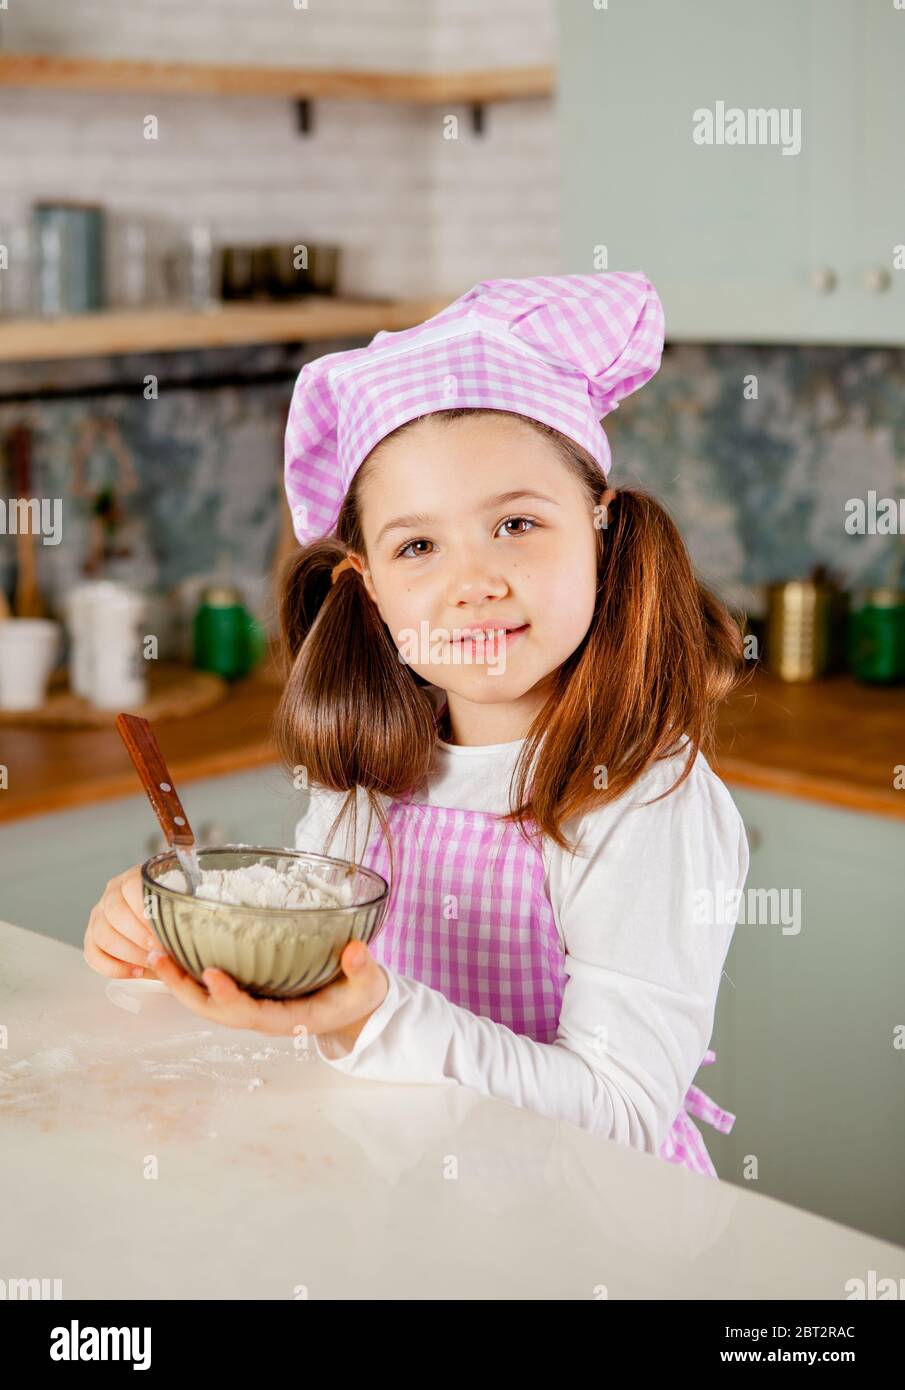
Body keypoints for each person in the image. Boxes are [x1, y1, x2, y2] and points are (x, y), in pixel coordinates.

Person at [84, 272, 749, 1179]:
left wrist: (370, 1015)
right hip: (403, 1199)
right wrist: (181, 935)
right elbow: (315, 992)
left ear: (602, 530)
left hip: (578, 1240)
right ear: (366, 582)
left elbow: (623, 1119)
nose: (471, 581)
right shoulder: (366, 772)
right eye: (417, 547)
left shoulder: (638, 800)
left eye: (516, 522)